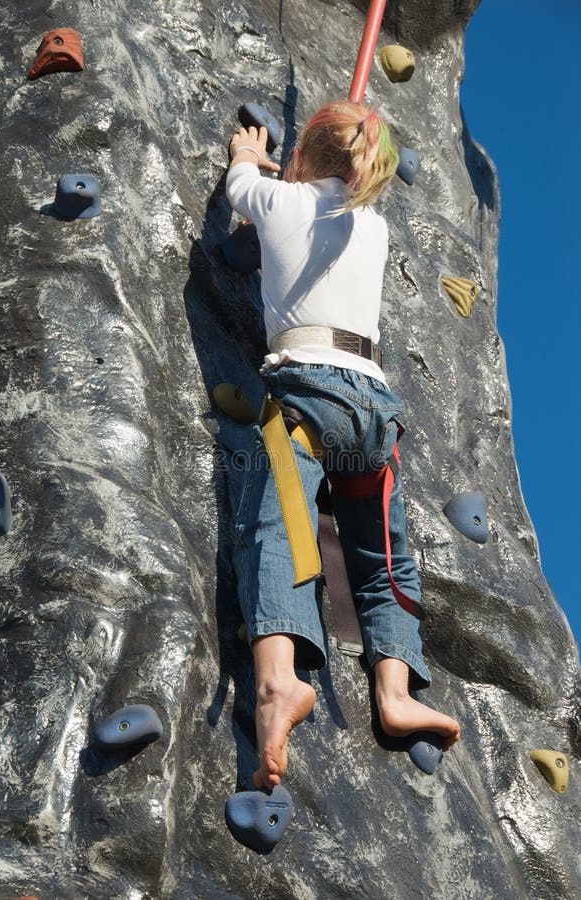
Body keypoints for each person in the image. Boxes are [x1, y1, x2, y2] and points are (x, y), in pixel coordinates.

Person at [225, 100, 460, 790]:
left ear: (300, 159)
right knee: (381, 557)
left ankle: (277, 682)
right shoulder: (374, 226)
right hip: (371, 408)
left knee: (283, 532)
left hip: (304, 396)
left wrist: (250, 150)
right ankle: (394, 691)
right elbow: (318, 198)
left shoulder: (278, 200)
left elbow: (239, 188)